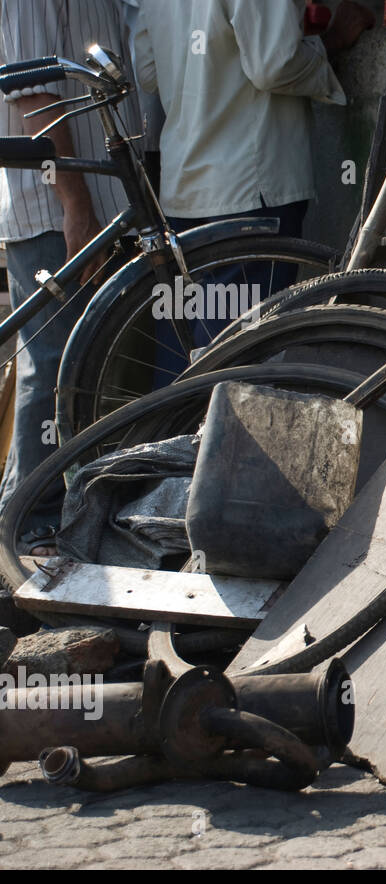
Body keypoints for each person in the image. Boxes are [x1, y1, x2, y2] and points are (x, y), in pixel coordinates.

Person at [130, 0, 373, 360]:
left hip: (185, 184)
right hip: (250, 185)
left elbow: (148, 72)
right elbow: (273, 66)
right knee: (236, 354)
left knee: (187, 347)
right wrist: (332, 40)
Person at [0, 0, 141, 553]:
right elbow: (32, 94)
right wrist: (76, 204)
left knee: (81, 365)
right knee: (54, 364)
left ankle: (47, 514)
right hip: (55, 210)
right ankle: (29, 525)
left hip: (98, 199)